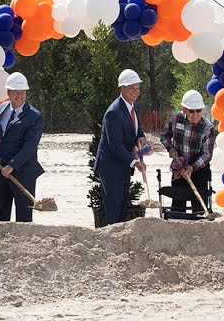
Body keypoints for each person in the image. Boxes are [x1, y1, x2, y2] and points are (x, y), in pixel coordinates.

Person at [0, 72, 45, 222]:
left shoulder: (35, 117)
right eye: (15, 92)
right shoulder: (2, 108)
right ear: (8, 92)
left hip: (23, 172)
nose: (19, 95)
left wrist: (12, 165)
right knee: (1, 214)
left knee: (23, 218)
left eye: (22, 92)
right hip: (0, 169)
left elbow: (29, 146)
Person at [93, 69, 147, 225]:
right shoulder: (113, 113)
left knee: (122, 207)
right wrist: (134, 162)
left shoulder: (133, 107)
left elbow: (136, 129)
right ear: (122, 88)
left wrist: (141, 137)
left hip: (123, 166)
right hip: (111, 168)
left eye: (137, 88)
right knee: (113, 209)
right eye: (131, 88)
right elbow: (115, 146)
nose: (135, 92)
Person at [159, 89, 217, 215]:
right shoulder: (175, 118)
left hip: (199, 170)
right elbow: (164, 135)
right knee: (178, 208)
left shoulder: (208, 128)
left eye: (199, 110)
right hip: (179, 167)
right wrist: (170, 148)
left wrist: (191, 167)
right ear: (183, 109)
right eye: (191, 111)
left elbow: (207, 154)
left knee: (199, 210)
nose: (195, 114)